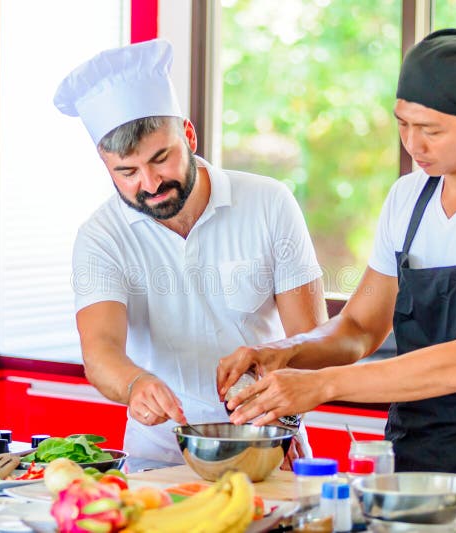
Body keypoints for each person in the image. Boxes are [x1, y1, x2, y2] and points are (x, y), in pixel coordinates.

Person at [219, 28, 456, 508]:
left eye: (431, 130)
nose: (412, 144)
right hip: (409, 460)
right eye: (403, 124)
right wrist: (283, 352)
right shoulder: (407, 198)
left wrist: (321, 384)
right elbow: (360, 326)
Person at [53, 39, 327, 466]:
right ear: (105, 165)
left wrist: (285, 416)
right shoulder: (101, 236)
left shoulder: (269, 203)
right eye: (127, 172)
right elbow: (101, 348)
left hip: (267, 444)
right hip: (157, 458)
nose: (149, 183)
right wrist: (133, 384)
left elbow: (312, 339)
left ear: (189, 135)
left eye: (161, 159)